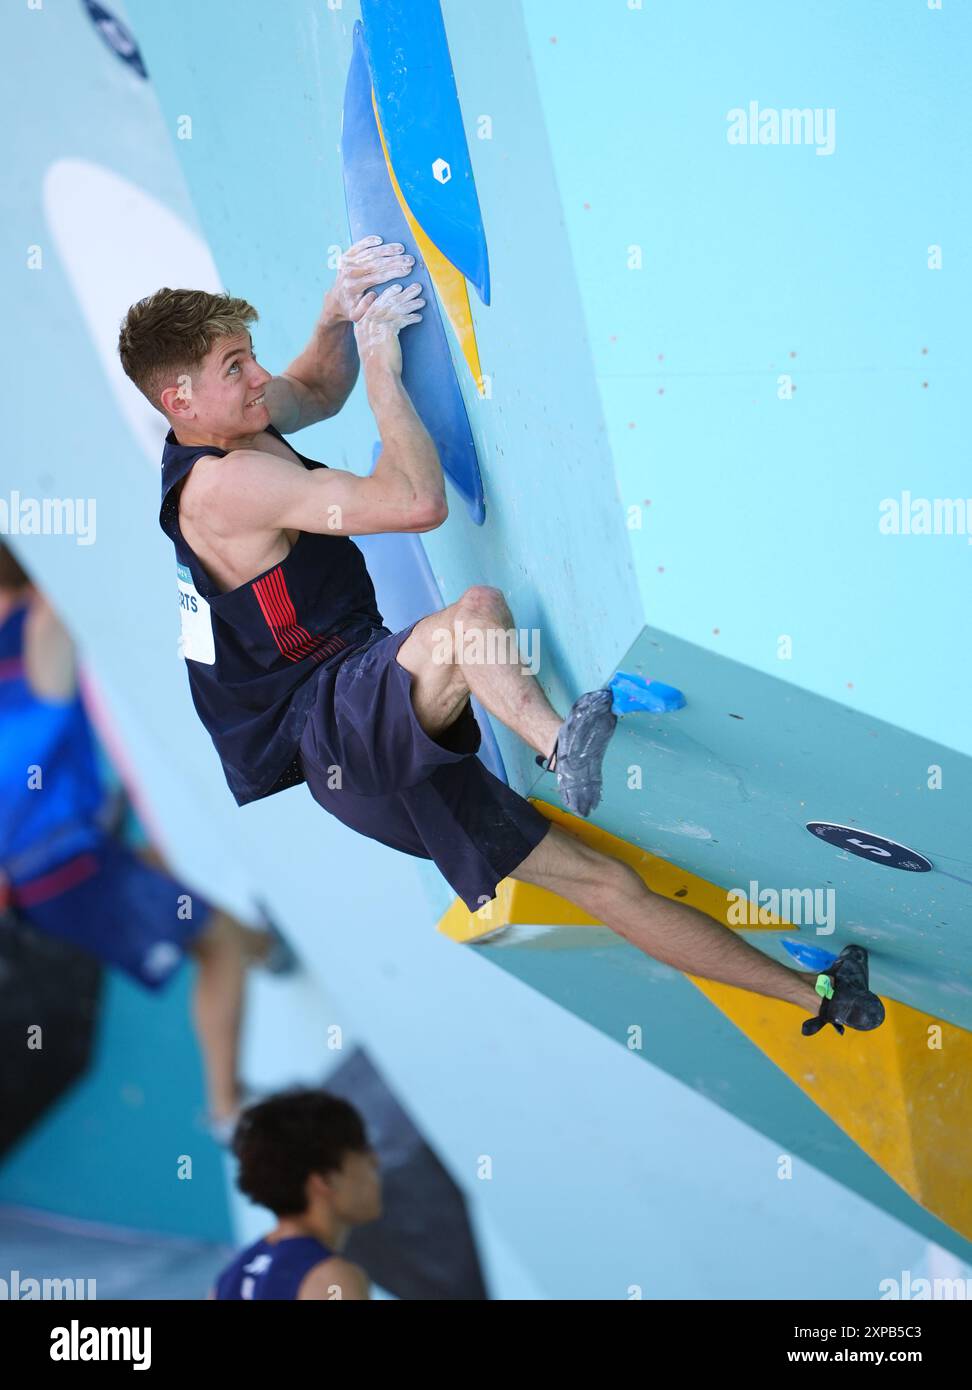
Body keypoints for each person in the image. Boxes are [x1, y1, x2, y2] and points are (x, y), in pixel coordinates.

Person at [116, 236, 885, 1038]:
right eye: (234, 366)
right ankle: (562, 744)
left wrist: (338, 318)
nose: (257, 375)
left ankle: (827, 1000)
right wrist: (383, 364)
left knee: (607, 886)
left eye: (248, 354)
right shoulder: (226, 487)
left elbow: (311, 387)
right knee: (473, 617)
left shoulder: (233, 427)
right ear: (179, 398)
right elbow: (416, 502)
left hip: (355, 772)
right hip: (336, 721)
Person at [0, 543, 297, 1137]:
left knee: (179, 891)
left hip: (55, 860)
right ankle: (227, 1109)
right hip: (64, 866)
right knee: (214, 947)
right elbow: (86, 564)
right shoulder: (40, 622)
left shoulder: (27, 634)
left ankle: (266, 947)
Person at [211, 1088, 379, 1300]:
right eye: (363, 1151)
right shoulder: (332, 1280)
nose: (376, 1162)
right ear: (326, 1179)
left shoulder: (228, 1279)